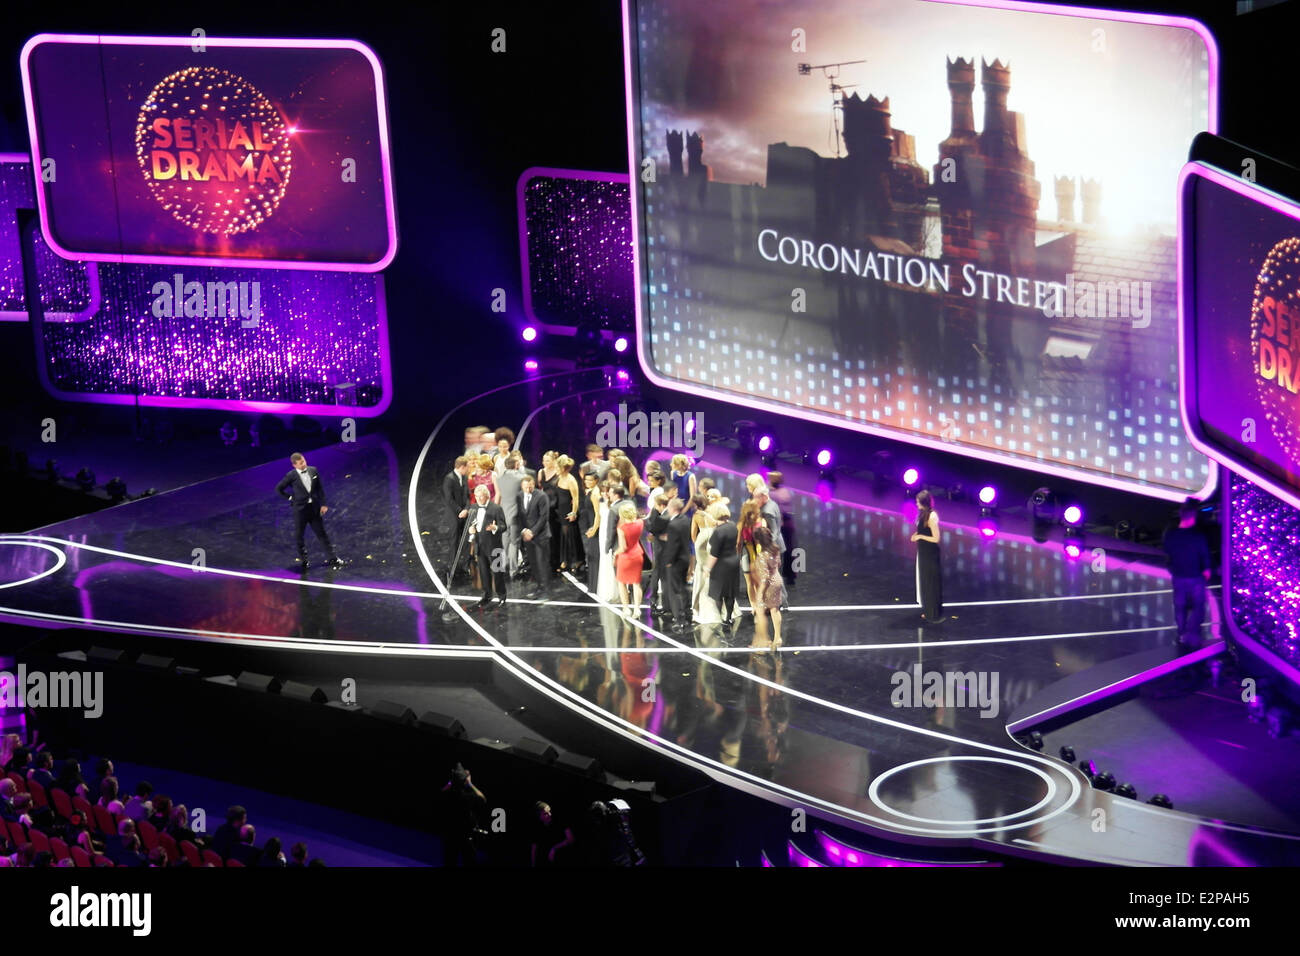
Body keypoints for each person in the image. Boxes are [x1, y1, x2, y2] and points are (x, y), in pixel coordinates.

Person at [276, 453, 342, 571]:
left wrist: (323, 504)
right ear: (294, 465)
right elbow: (279, 489)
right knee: (299, 536)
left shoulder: (313, 470)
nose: (304, 464)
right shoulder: (291, 476)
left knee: (322, 534)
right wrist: (291, 498)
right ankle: (304, 560)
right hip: (300, 511)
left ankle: (332, 558)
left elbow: (319, 489)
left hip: (314, 509)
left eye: (304, 461)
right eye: (300, 463)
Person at [1163, 499, 1212, 648]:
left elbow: (1168, 553)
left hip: (1178, 575)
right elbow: (1204, 555)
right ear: (1193, 517)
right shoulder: (1197, 536)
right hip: (1196, 576)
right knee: (1198, 607)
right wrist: (1207, 569)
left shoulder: (1170, 535)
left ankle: (1181, 633)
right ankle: (1192, 634)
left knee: (1180, 606)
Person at [739, 500, 784, 649]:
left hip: (768, 584)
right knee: (774, 610)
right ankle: (778, 637)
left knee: (760, 613)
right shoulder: (775, 549)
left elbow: (764, 579)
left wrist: (759, 594)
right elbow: (778, 565)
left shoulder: (762, 557)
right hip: (777, 580)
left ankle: (762, 640)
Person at [467, 484, 508, 608]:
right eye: (477, 496)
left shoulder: (496, 509)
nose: (479, 499)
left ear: (487, 496)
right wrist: (470, 530)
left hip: (495, 547)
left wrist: (495, 527)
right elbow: (470, 525)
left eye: (481, 496)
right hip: (480, 546)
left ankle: (502, 596)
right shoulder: (473, 508)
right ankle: (487, 595)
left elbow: (503, 526)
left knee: (498, 572)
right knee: (484, 572)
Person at [439, 764, 487, 867]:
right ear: (464, 782)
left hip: (450, 835)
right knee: (469, 862)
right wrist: (470, 784)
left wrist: (451, 781)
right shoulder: (467, 798)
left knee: (450, 861)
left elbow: (441, 793)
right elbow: (482, 799)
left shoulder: (448, 795)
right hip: (465, 836)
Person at [517, 475, 553, 597]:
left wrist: (532, 532)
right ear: (522, 487)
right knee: (533, 563)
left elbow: (544, 517)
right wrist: (523, 531)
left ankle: (546, 590)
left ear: (534, 485)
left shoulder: (542, 496)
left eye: (530, 486)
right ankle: (539, 587)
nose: (528, 489)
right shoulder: (519, 496)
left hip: (540, 536)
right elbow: (521, 516)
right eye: (525, 487)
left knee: (542, 563)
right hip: (527, 536)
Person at [661, 498, 694, 631]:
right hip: (685, 558)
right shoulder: (686, 520)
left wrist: (668, 561)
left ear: (673, 508)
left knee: (675, 591)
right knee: (684, 587)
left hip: (676, 561)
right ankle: (687, 614)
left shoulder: (673, 524)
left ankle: (679, 620)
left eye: (669, 507)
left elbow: (673, 546)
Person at [911, 489, 944, 623]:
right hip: (924, 552)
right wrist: (916, 534)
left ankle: (933, 613)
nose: (916, 504)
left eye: (918, 502)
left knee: (931, 582)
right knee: (926, 581)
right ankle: (929, 610)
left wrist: (920, 536)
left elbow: (936, 538)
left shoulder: (931, 516)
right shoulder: (922, 514)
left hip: (930, 553)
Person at [707, 503, 741, 625]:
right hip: (733, 562)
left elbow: (714, 554)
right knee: (730, 592)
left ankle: (721, 618)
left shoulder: (718, 532)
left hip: (721, 565)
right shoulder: (733, 526)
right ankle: (729, 617)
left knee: (719, 592)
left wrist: (707, 568)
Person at [496, 453, 528, 577]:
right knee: (515, 542)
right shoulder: (521, 478)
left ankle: (503, 566)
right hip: (515, 516)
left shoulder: (500, 479)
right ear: (516, 465)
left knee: (505, 541)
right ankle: (513, 570)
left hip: (503, 514)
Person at [692, 498, 721, 625]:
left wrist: (696, 544)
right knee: (712, 570)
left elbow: (693, 533)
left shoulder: (696, 515)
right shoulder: (711, 513)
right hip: (712, 540)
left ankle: (697, 605)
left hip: (701, 539)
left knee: (700, 569)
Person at [613, 502, 645, 615]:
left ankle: (626, 608)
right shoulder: (640, 523)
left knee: (621, 583)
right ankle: (637, 608)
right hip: (637, 555)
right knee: (636, 583)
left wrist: (615, 554)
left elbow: (623, 547)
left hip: (625, 558)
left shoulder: (621, 528)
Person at [769, 471, 797, 593]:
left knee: (783, 549)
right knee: (788, 549)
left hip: (781, 522)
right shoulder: (784, 492)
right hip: (784, 522)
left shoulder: (774, 493)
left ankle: (784, 574)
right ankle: (788, 575)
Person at [442, 456, 471, 580]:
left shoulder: (464, 478)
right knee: (454, 541)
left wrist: (466, 509)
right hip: (454, 515)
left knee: (466, 541)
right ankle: (452, 566)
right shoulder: (449, 479)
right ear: (462, 467)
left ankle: (465, 566)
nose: (468, 469)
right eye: (467, 467)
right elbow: (449, 499)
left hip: (464, 514)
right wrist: (460, 511)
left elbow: (468, 496)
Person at [555, 455, 583, 573]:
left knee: (571, 535)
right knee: (564, 535)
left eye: (557, 466)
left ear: (562, 467)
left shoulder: (571, 480)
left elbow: (575, 498)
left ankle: (576, 560)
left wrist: (573, 513)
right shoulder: (559, 477)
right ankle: (565, 559)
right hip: (560, 510)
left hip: (568, 510)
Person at [597, 482, 625, 602]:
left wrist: (608, 544)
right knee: (604, 559)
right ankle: (608, 589)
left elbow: (613, 526)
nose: (605, 493)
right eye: (603, 491)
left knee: (611, 559)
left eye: (607, 491)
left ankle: (617, 590)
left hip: (610, 533)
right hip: (603, 532)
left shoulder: (615, 506)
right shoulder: (601, 501)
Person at [578, 470, 603, 591]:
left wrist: (594, 529)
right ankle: (594, 585)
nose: (587, 482)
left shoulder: (595, 494)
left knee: (595, 556)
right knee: (592, 556)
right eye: (586, 480)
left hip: (595, 529)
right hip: (592, 526)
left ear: (596, 480)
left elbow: (598, 514)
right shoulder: (592, 491)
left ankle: (596, 585)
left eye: (590, 480)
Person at [530, 802, 575, 867]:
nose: (550, 814)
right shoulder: (537, 828)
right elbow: (534, 849)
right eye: (545, 813)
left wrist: (554, 848)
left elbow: (571, 839)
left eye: (550, 811)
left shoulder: (559, 821)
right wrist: (533, 865)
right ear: (539, 817)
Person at [538, 451, 563, 569]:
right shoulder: (541, 472)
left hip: (556, 508)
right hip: (545, 507)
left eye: (547, 460)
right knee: (546, 535)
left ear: (554, 461)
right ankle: (546, 560)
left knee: (555, 534)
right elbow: (540, 489)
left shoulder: (559, 473)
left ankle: (556, 560)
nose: (545, 462)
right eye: (544, 460)